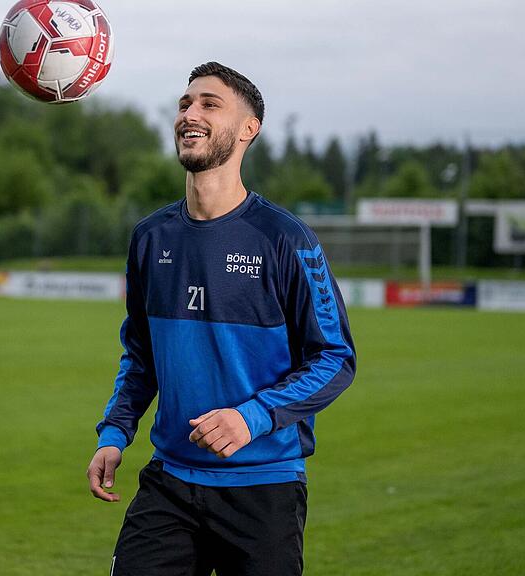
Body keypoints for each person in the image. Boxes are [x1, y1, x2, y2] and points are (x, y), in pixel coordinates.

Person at [86, 62, 357, 576]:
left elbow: (335, 357)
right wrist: (115, 433)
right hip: (170, 483)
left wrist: (249, 417)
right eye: (185, 104)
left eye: (210, 104)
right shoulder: (151, 238)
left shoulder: (285, 239)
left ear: (248, 129)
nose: (190, 113)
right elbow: (141, 355)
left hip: (263, 486)